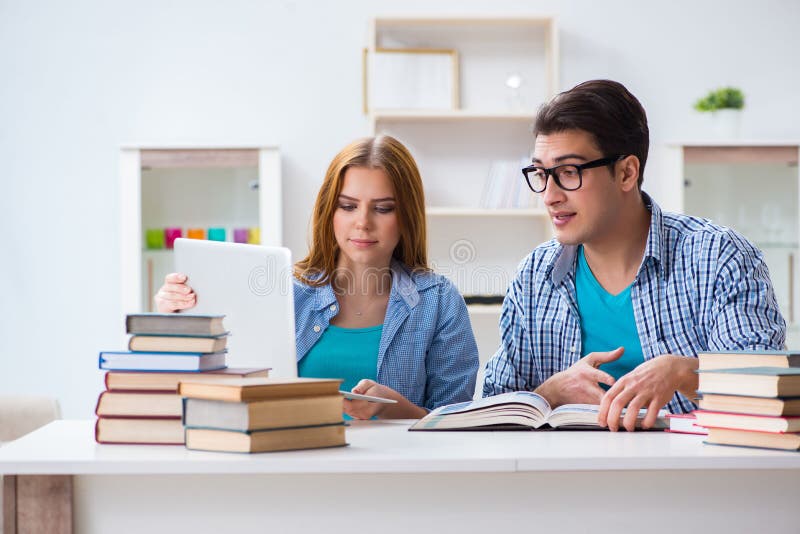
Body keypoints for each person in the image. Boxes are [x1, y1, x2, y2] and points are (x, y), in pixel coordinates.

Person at [483, 80, 786, 431]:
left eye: (568, 172)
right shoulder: (534, 275)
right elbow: (493, 408)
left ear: (627, 172)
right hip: (567, 481)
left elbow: (767, 392)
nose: (549, 195)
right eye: (541, 173)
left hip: (698, 481)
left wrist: (684, 373)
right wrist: (550, 392)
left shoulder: (719, 258)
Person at [156, 135, 479, 420]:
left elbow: (455, 423)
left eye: (383, 209)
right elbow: (211, 390)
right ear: (330, 212)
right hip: (292, 472)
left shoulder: (438, 302)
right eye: (348, 206)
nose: (363, 223)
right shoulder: (282, 293)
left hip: (395, 480)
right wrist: (176, 322)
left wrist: (396, 408)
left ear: (406, 216)